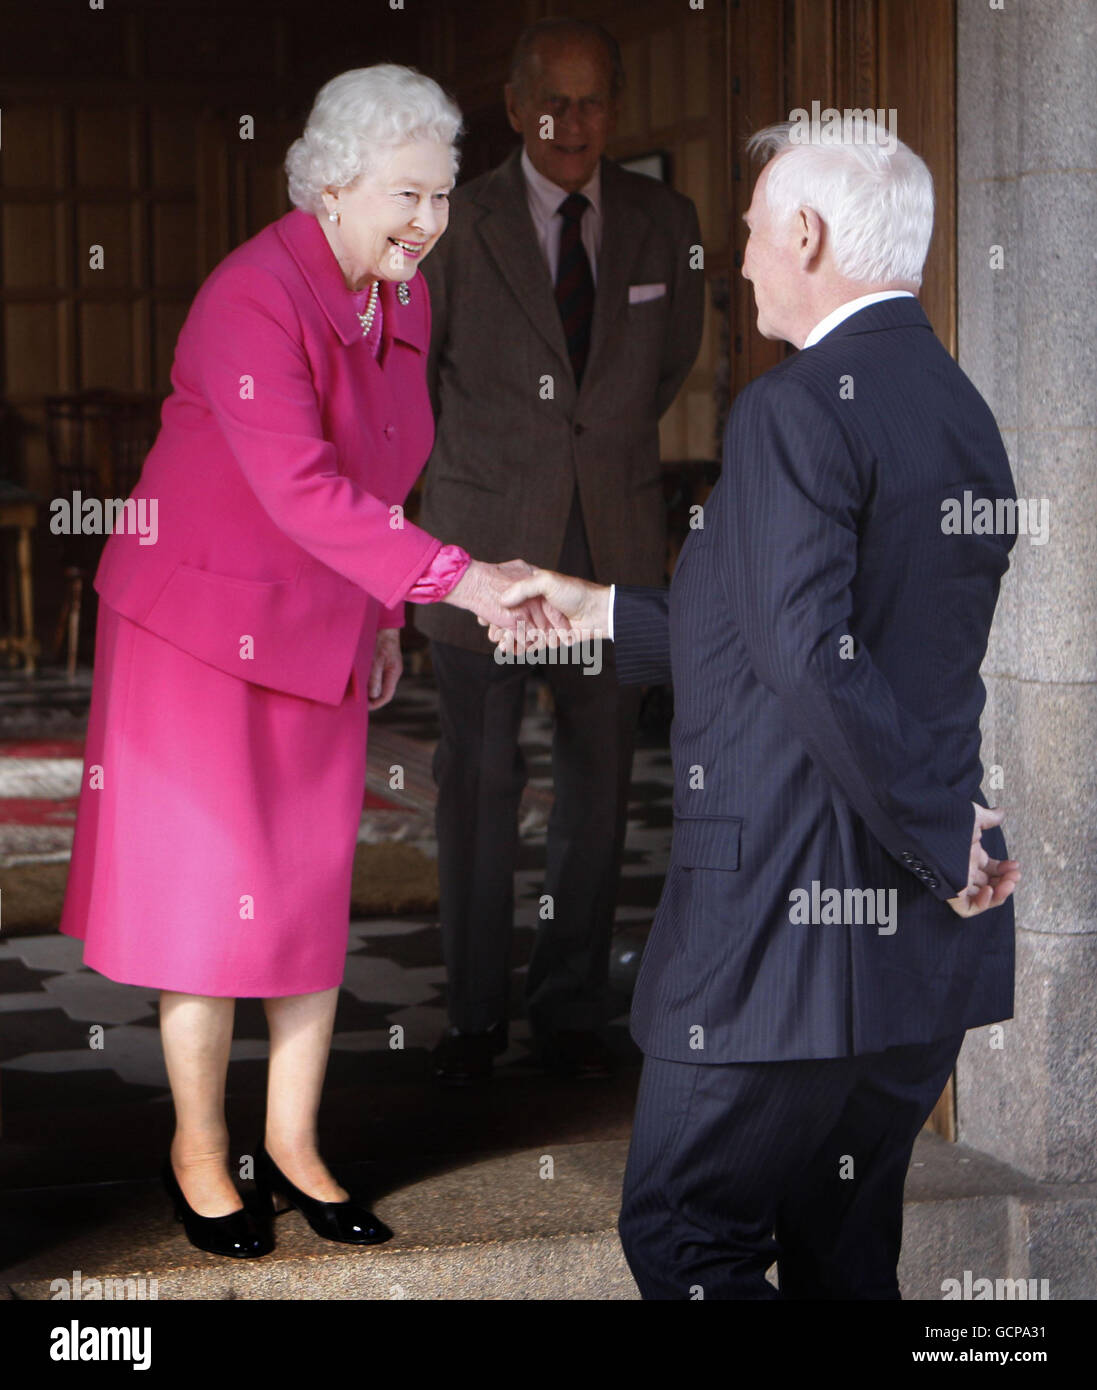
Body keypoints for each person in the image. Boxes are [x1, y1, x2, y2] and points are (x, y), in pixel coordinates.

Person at [494, 120, 1021, 1298]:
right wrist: (590, 612)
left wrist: (938, 834)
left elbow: (807, 653)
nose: (734, 259)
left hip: (782, 936)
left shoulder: (790, 409)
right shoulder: (955, 407)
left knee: (686, 1235)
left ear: (804, 232)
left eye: (745, 229)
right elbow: (798, 632)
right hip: (911, 950)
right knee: (840, 1257)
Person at [58, 65, 549, 1260]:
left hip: (323, 617)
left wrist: (380, 621)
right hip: (197, 630)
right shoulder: (249, 296)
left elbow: (380, 474)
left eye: (439, 199)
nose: (428, 224)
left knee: (303, 884)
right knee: (207, 892)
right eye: (407, 197)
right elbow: (301, 484)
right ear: (332, 184)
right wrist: (458, 582)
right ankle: (194, 1149)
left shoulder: (402, 294)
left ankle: (291, 1141)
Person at [415, 17, 705, 1084]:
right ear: (513, 104)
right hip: (480, 548)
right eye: (554, 102)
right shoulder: (455, 224)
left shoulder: (661, 220)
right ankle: (475, 1015)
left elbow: (666, 362)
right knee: (478, 783)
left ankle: (571, 1004)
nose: (573, 123)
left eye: (592, 103)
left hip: (612, 547)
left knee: (596, 787)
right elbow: (414, 382)